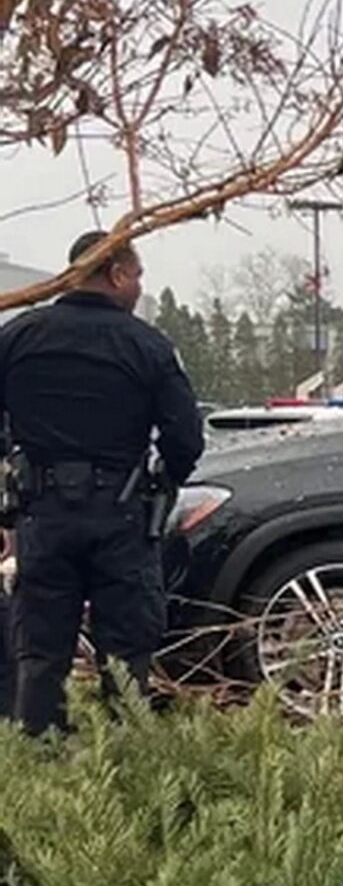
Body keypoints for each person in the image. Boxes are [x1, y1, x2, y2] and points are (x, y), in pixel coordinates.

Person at [0, 231, 205, 735]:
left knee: (42, 654)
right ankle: (122, 773)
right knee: (125, 655)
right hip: (122, 516)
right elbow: (185, 437)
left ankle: (40, 770)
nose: (138, 287)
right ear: (115, 274)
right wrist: (163, 483)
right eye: (136, 276)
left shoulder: (18, 336)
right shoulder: (147, 345)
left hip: (42, 515)